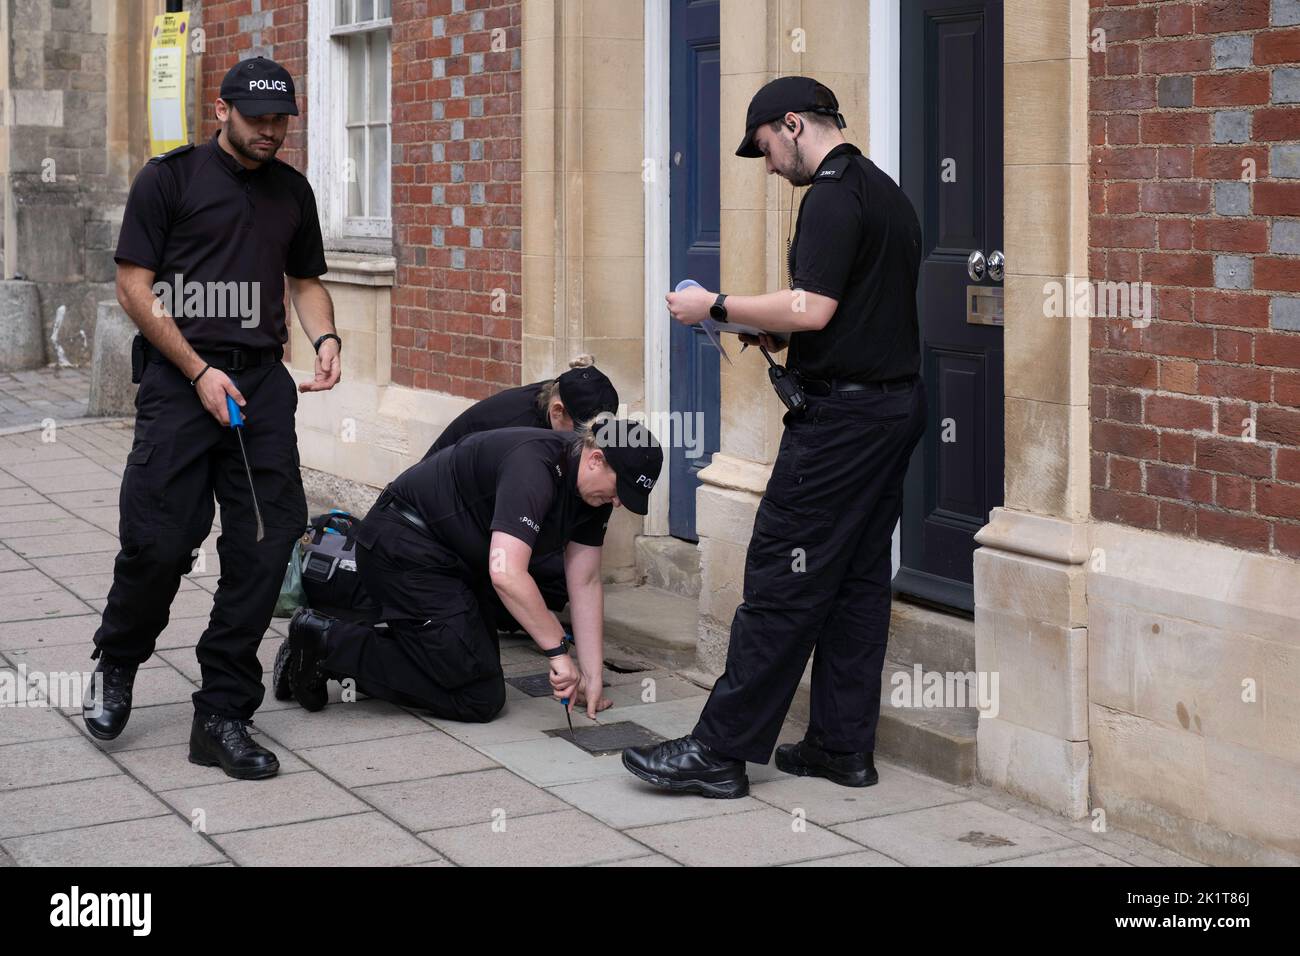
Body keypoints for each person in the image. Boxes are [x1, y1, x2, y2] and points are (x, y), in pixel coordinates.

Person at [622, 76, 927, 798]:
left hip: (842, 427)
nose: (767, 167)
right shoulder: (886, 192)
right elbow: (852, 312)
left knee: (781, 580)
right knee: (854, 582)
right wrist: (764, 327)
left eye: (764, 148)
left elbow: (813, 307)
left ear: (793, 124)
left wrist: (714, 304)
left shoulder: (829, 195)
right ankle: (839, 749)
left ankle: (718, 753)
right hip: (892, 409)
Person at [82, 57, 341, 780]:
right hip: (180, 381)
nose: (270, 131)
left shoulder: (293, 191)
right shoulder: (167, 180)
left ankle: (223, 711)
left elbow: (305, 280)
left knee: (266, 544)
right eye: (257, 118)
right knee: (160, 542)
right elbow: (134, 288)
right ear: (220, 111)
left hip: (258, 386)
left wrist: (324, 337)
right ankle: (118, 661)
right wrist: (197, 370)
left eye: (281, 119)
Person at [282, 417, 663, 724]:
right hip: (403, 548)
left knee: (472, 669)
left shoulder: (590, 495)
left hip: (455, 562)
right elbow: (506, 573)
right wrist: (558, 652)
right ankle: (325, 642)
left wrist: (592, 674)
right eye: (618, 490)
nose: (616, 503)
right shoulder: (534, 465)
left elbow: (585, 580)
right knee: (478, 697)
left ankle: (381, 643)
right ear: (596, 459)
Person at [419, 355, 620, 627]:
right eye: (585, 432)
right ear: (558, 411)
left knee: (562, 575)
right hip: (447, 513)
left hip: (483, 501)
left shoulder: (558, 401)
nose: (593, 443)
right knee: (547, 575)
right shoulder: (520, 428)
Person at [420, 355, 619, 460]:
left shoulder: (558, 394)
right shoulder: (517, 430)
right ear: (557, 411)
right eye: (581, 433)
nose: (587, 442)